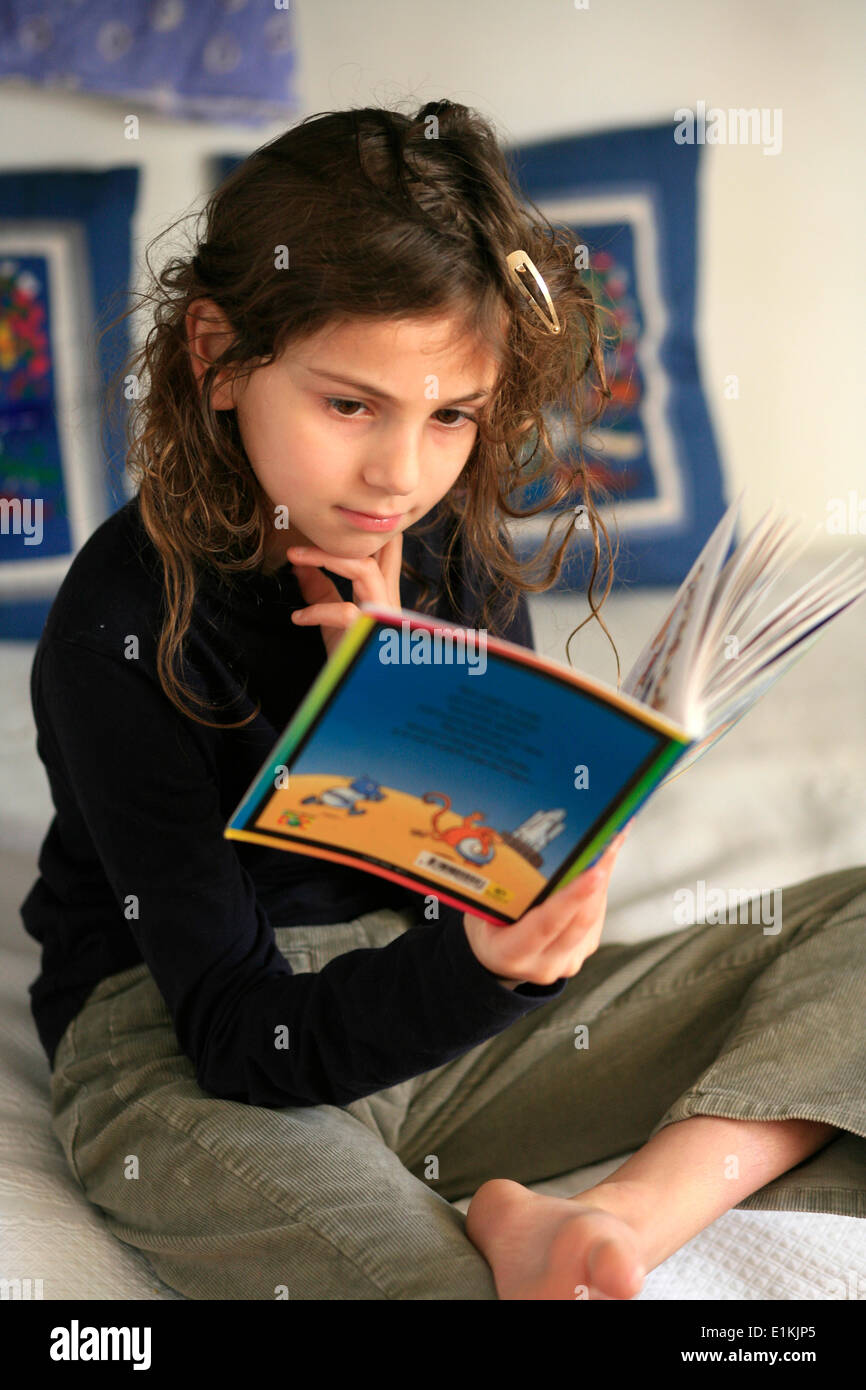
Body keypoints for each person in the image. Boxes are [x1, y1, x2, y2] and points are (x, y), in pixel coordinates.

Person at [22, 100, 865, 1302]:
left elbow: (478, 896)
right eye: (349, 404)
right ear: (216, 356)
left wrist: (519, 913)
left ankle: (622, 1211)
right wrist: (486, 967)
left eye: (450, 416)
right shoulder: (117, 622)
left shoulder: (446, 553)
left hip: (440, 1018)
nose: (400, 473)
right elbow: (235, 1030)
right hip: (195, 1049)